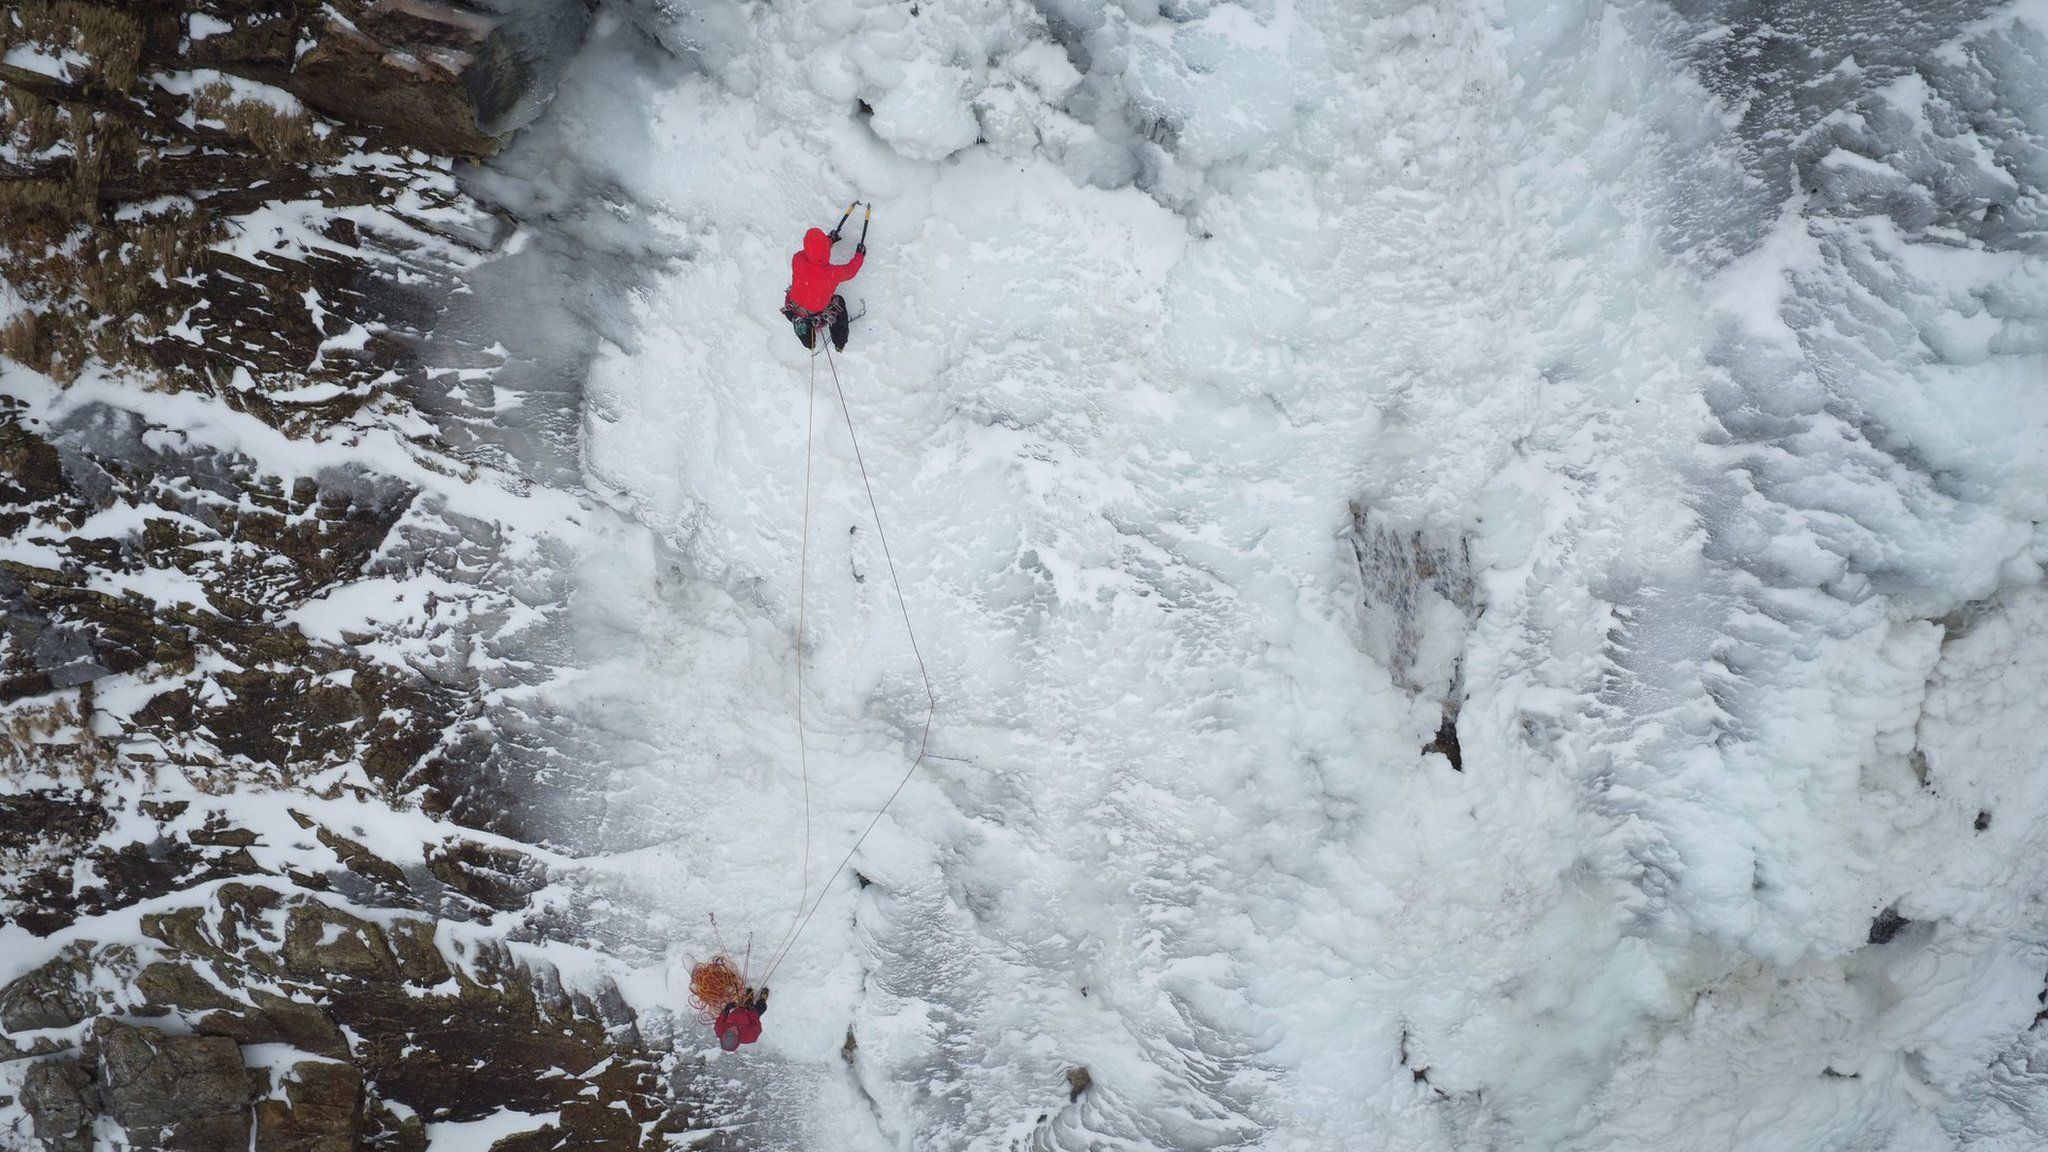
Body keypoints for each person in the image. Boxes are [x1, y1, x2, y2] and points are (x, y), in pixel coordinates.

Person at [782, 204, 867, 352]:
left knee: (802, 299)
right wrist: (859, 255)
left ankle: (807, 335)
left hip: (794, 305)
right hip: (817, 312)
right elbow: (851, 270)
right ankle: (839, 342)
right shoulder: (832, 273)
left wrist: (829, 240)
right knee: (838, 302)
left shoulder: (798, 259)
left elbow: (813, 252)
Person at [715, 985, 770, 1051]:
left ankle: (749, 998)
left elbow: (719, 1020)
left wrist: (726, 1010)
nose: (733, 1028)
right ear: (737, 1039)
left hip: (738, 1011)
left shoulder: (719, 1030)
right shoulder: (750, 1037)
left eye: (729, 1031)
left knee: (747, 1003)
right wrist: (752, 1012)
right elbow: (757, 1025)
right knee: (762, 1007)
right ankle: (762, 999)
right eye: (734, 1033)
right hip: (751, 1016)